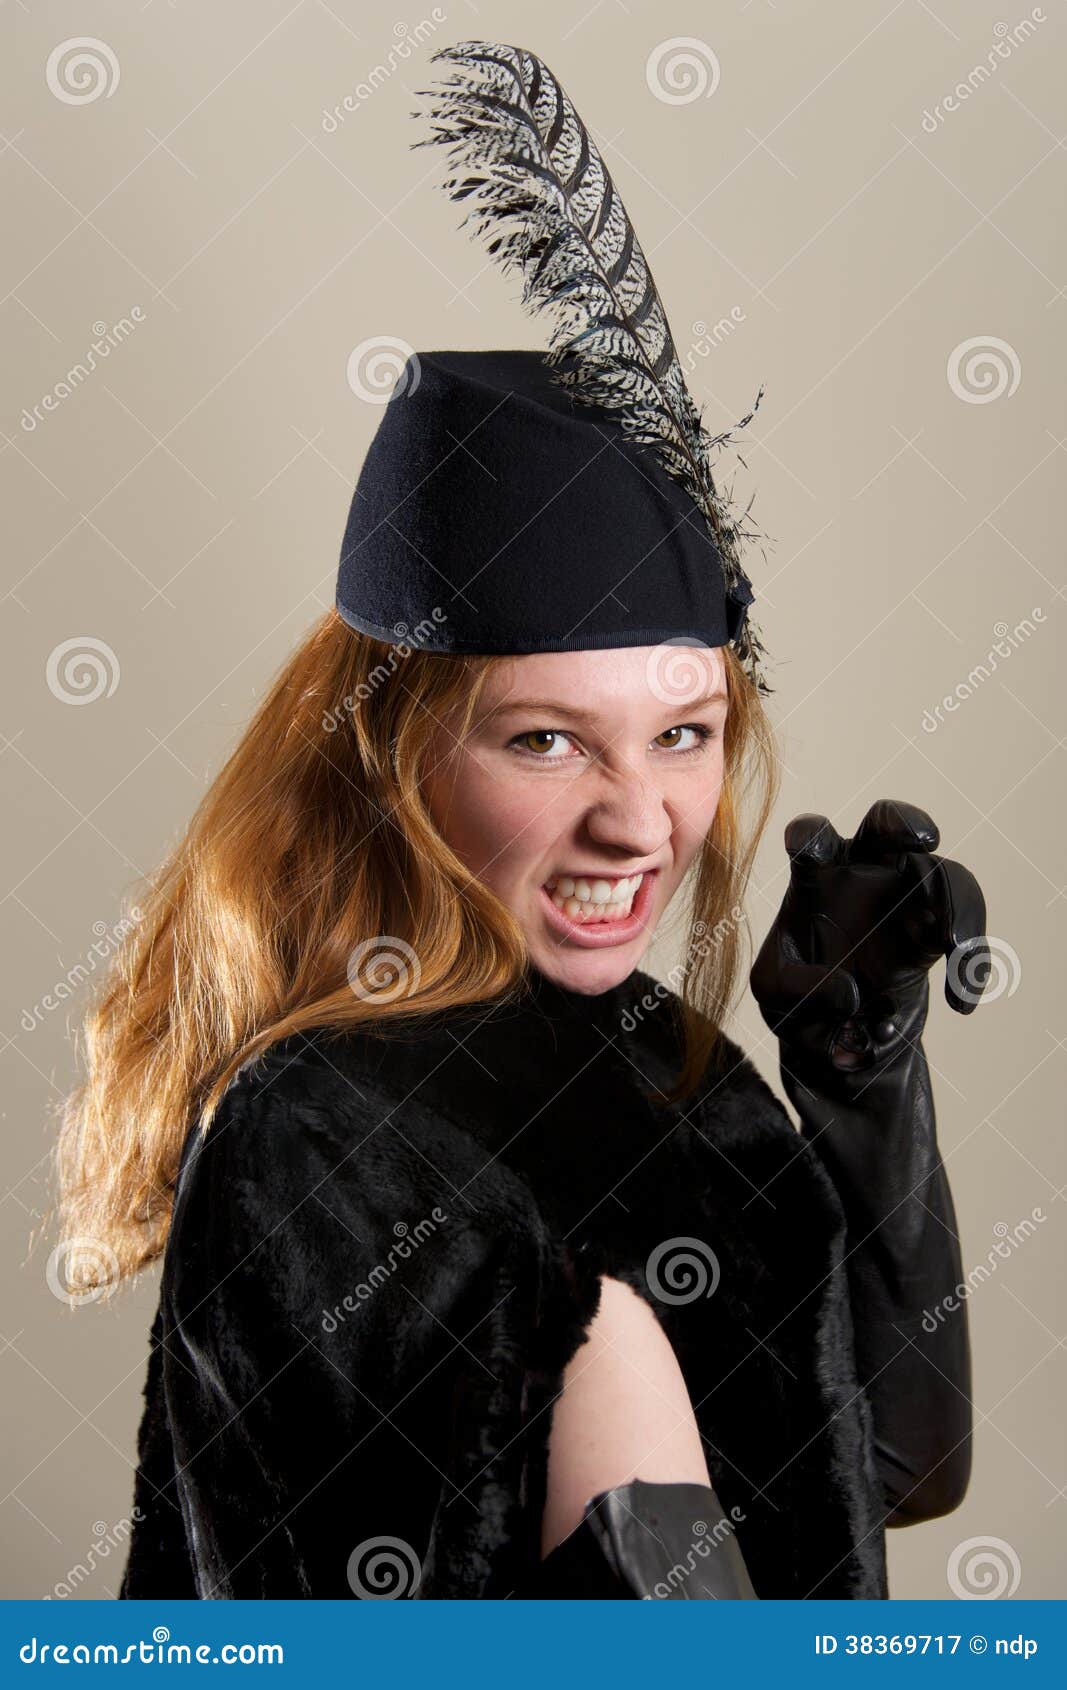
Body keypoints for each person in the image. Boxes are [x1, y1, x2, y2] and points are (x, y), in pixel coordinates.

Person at [53, 40, 989, 1601]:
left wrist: (860, 1093)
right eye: (548, 739)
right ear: (399, 755)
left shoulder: (672, 1083)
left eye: (685, 734)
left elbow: (888, 1469)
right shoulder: (324, 1132)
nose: (642, 820)